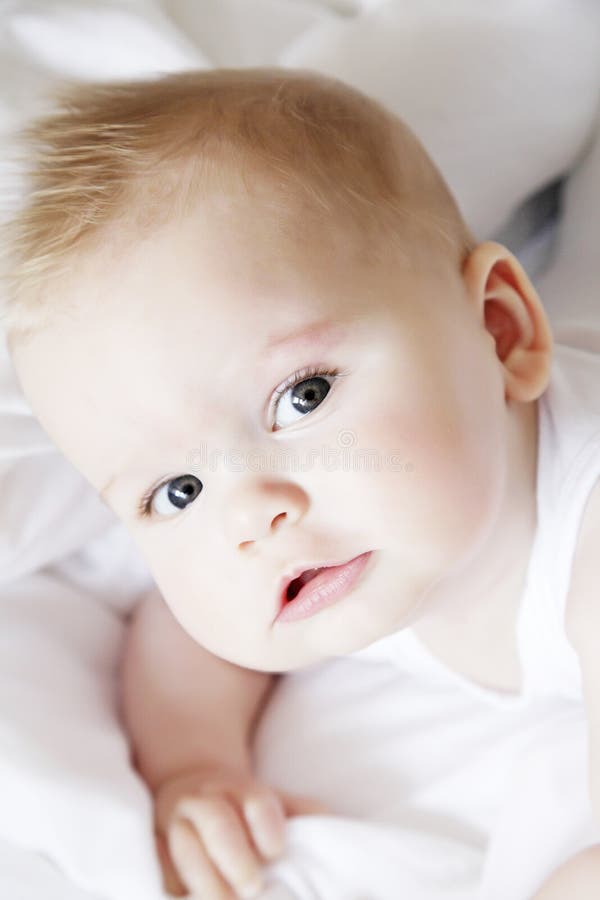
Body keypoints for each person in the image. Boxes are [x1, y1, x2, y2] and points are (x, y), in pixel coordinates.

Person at [1, 67, 599, 900]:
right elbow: (177, 639)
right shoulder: (335, 542)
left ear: (498, 331)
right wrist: (194, 766)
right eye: (177, 491)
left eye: (301, 398)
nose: (251, 515)